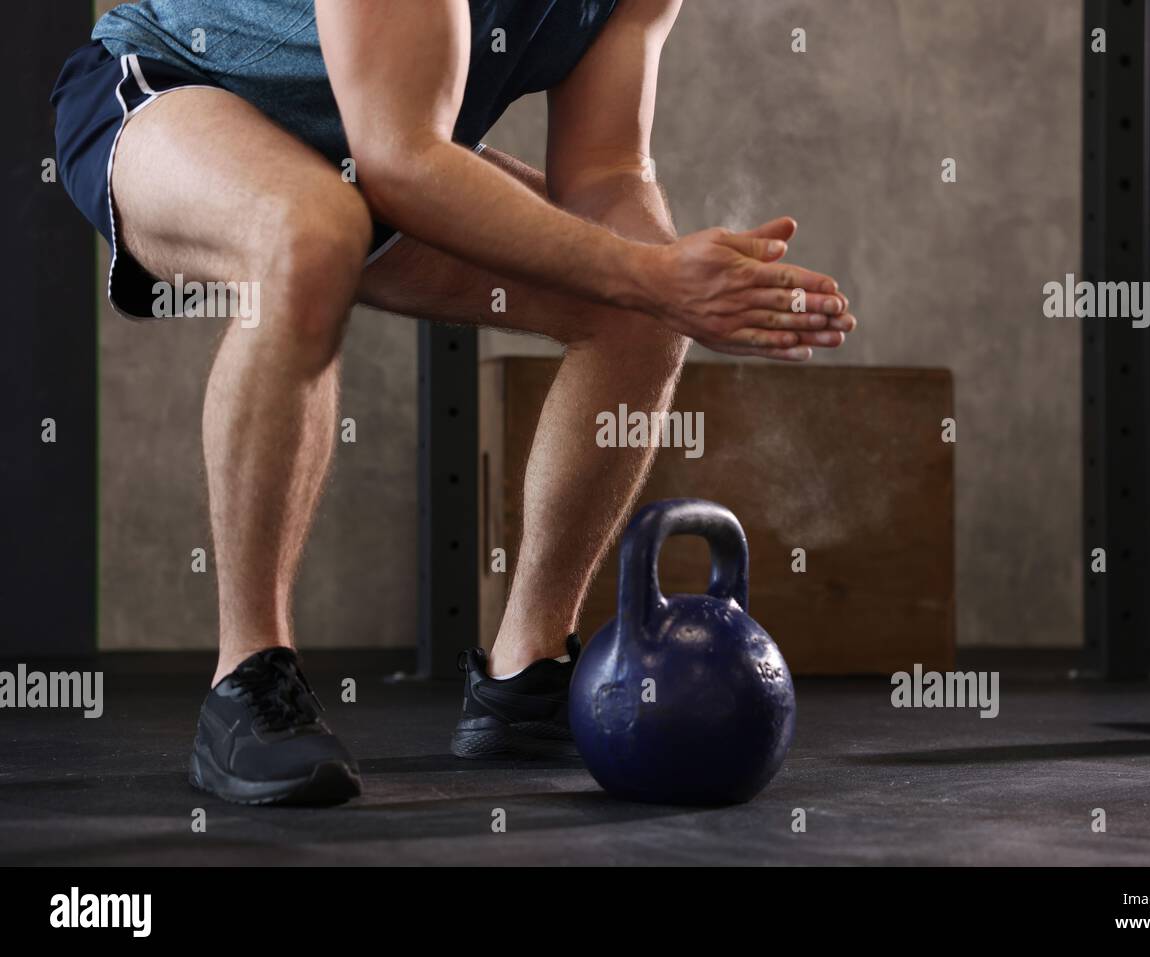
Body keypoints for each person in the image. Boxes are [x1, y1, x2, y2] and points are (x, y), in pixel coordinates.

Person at [51, 0, 855, 805]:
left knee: (636, 308)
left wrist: (681, 283)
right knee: (309, 233)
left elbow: (606, 170)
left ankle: (527, 673)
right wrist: (655, 274)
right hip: (175, 95)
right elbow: (401, 159)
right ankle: (247, 678)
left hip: (372, 151)